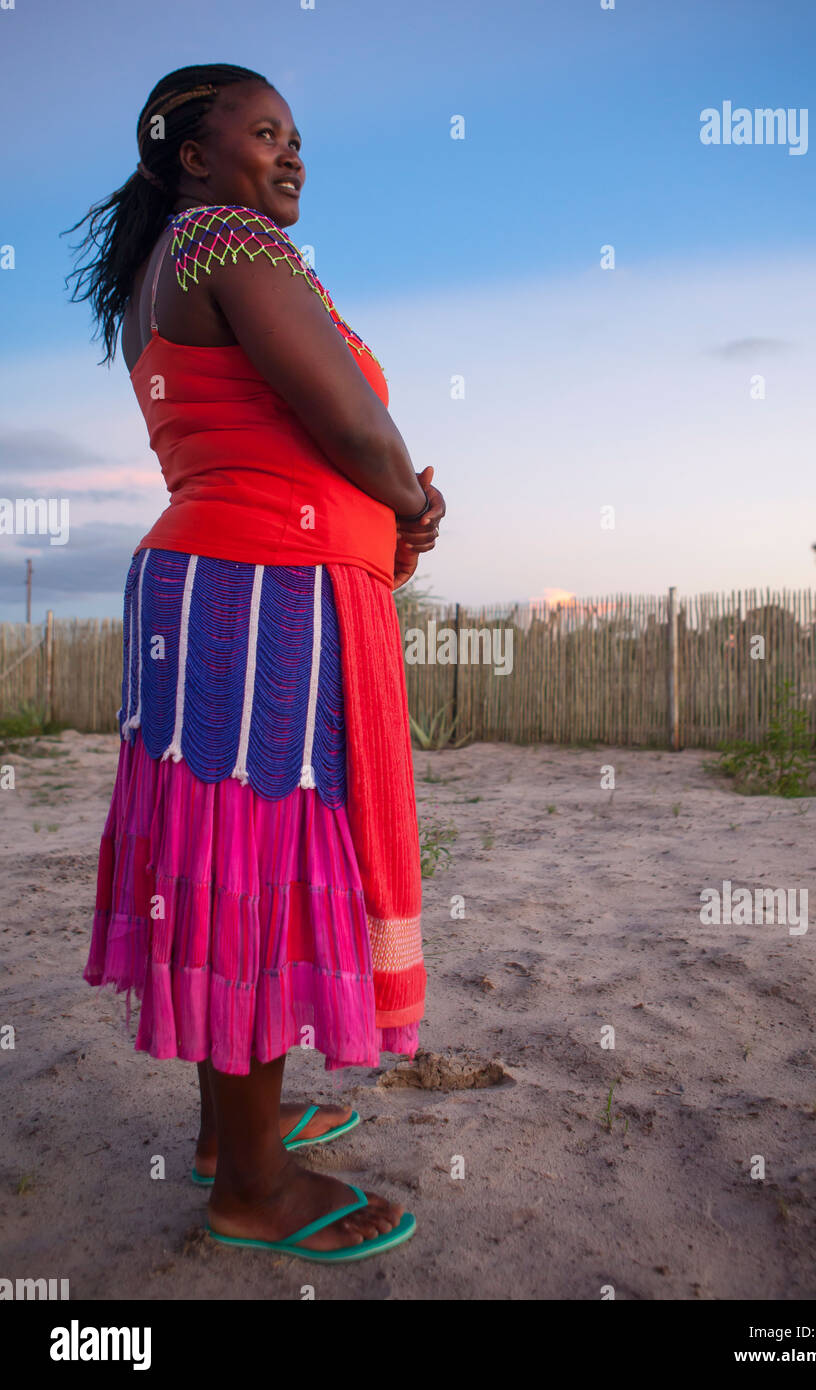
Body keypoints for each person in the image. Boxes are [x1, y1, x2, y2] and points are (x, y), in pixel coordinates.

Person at [65, 62, 446, 1264]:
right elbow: (347, 421)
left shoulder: (161, 263)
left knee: (227, 855)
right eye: (265, 131)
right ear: (191, 151)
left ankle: (238, 1135)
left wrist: (380, 523)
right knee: (260, 862)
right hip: (263, 586)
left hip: (219, 577)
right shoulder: (230, 239)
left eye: (296, 138)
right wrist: (410, 507)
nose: (291, 155)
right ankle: (250, 1193)